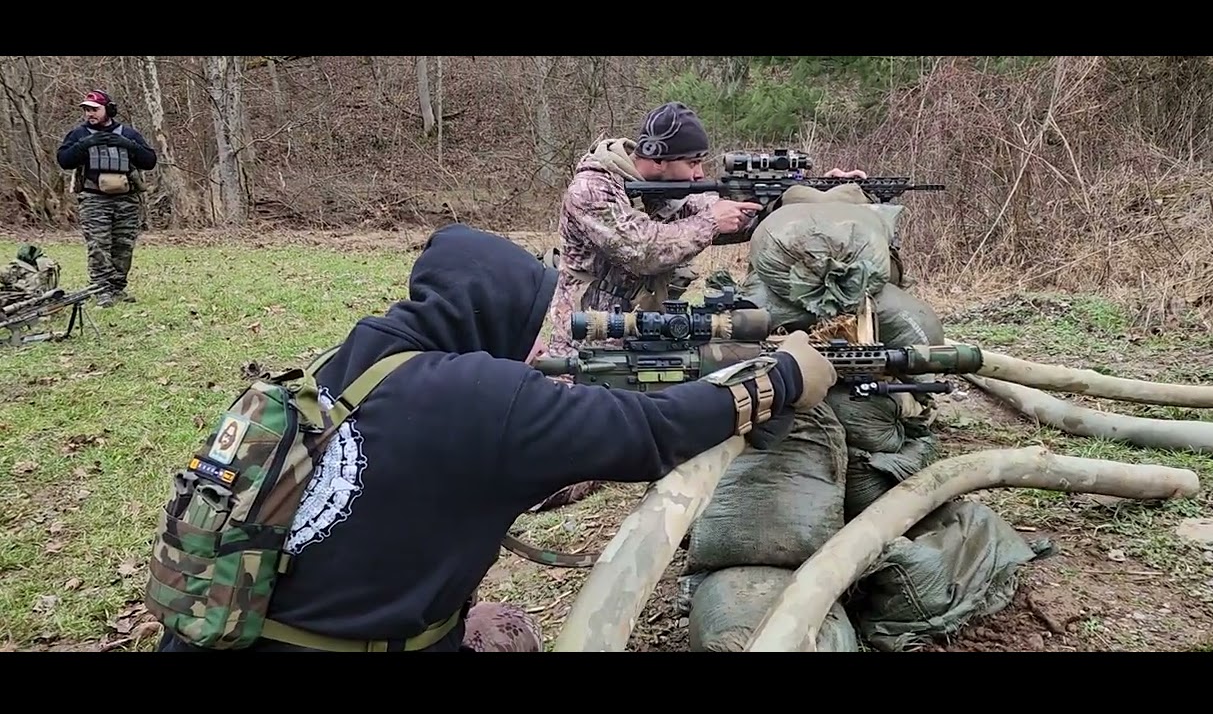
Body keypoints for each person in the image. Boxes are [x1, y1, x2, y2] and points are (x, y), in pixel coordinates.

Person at [152, 223, 837, 653]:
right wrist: (777, 380)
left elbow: (441, 472)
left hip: (226, 625)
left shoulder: (351, 358)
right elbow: (651, 434)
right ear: (502, 313)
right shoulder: (477, 397)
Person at [536, 100, 864, 511]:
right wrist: (711, 222)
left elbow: (723, 214)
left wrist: (808, 194)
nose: (699, 174)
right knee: (562, 463)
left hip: (639, 330)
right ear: (658, 158)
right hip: (587, 332)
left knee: (636, 434)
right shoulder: (593, 189)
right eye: (692, 163)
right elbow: (643, 248)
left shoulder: (663, 189)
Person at [55, 89, 156, 307]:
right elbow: (64, 160)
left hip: (126, 199)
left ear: (108, 110)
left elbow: (149, 161)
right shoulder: (79, 134)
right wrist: (86, 144)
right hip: (94, 199)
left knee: (123, 246)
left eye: (94, 109)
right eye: (86, 110)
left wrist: (129, 146)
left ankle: (117, 288)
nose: (89, 114)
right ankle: (101, 290)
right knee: (98, 246)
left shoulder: (128, 134)